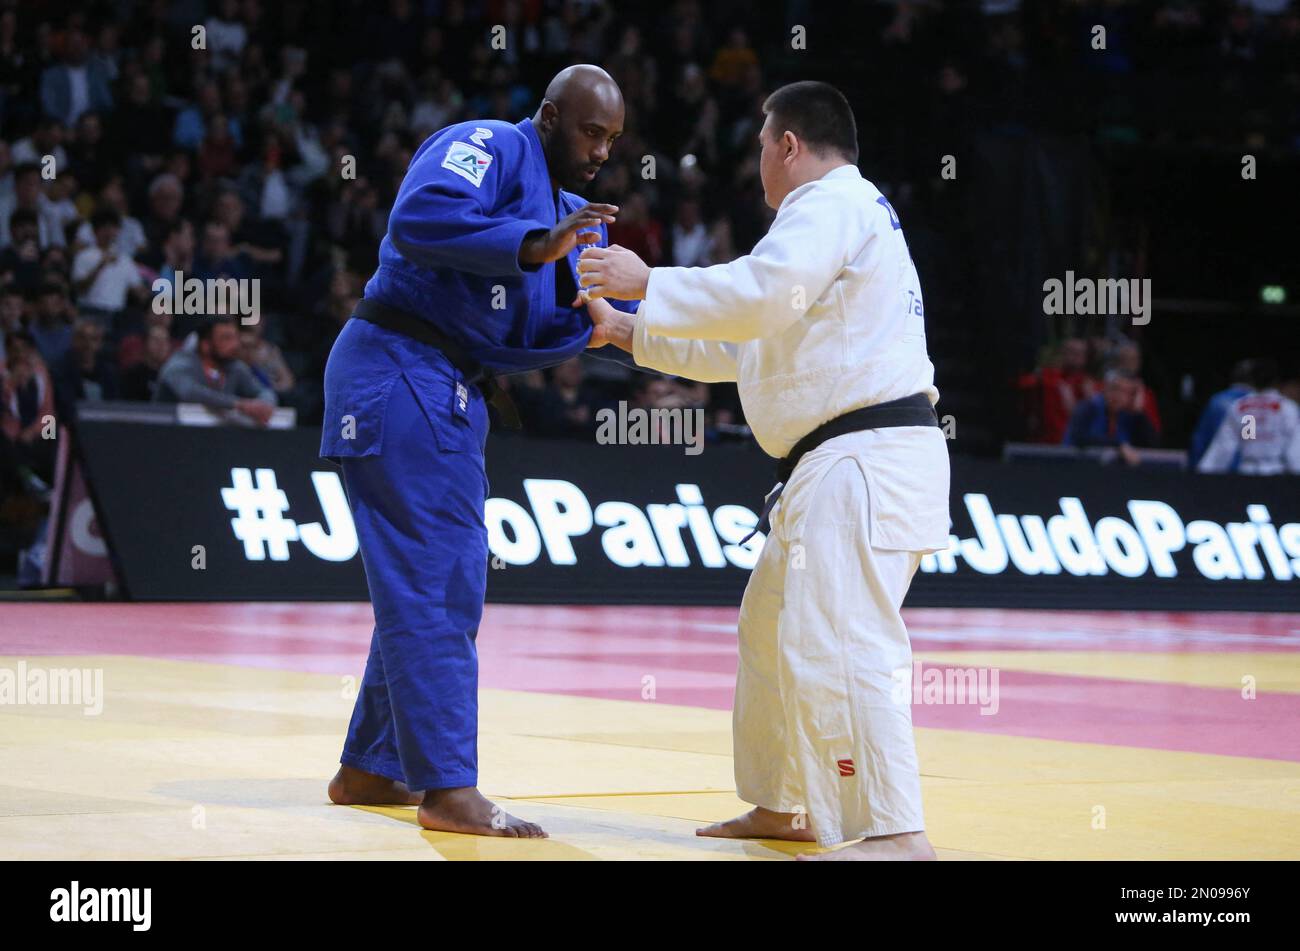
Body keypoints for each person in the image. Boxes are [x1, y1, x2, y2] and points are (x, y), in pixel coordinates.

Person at [579, 81, 949, 860]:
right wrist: (628, 331)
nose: (756, 164)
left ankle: (894, 829)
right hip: (841, 461)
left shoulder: (828, 204)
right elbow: (748, 347)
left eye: (758, 146)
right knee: (772, 627)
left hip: (863, 458)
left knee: (844, 640)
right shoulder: (842, 223)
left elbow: (755, 296)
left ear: (787, 145)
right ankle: (785, 803)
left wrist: (647, 279)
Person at [321, 64, 627, 838]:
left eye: (615, 140)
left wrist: (596, 327)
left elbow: (515, 340)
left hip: (450, 387)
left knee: (429, 578)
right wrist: (534, 244)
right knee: (438, 576)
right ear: (552, 117)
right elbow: (419, 221)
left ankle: (370, 765)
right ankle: (449, 787)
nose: (602, 152)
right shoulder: (484, 145)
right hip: (398, 366)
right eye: (592, 132)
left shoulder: (563, 212)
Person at [153, 316, 277, 426]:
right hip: (169, 434)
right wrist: (239, 404)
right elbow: (190, 392)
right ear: (205, 345)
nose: (235, 345)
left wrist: (264, 406)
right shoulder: (179, 364)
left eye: (235, 338)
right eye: (226, 338)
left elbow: (263, 391)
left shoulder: (235, 367)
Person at [1197, 358, 1300, 475]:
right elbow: (1295, 449)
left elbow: (1224, 447)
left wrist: (1203, 474)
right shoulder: (1287, 408)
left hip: (1247, 472)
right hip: (1275, 471)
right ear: (1276, 381)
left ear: (1251, 380)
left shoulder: (1240, 407)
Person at [1063, 370, 1158, 463]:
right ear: (1105, 388)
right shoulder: (1088, 408)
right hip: (1075, 468)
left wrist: (1139, 413)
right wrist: (1118, 446)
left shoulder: (1129, 416)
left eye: (1125, 391)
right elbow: (1079, 438)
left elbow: (1152, 445)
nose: (1118, 395)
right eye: (1115, 388)